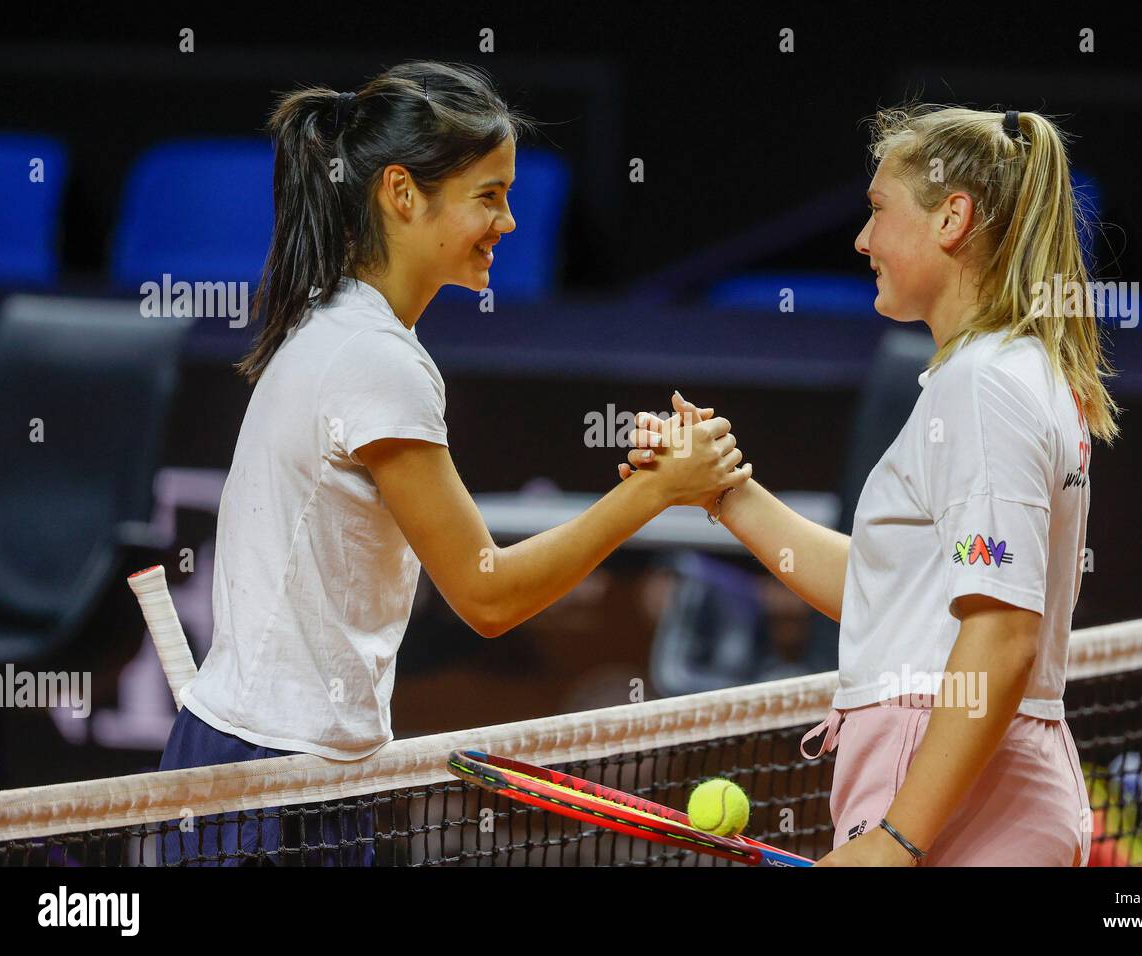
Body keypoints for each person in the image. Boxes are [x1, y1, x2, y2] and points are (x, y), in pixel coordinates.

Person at [158, 60, 749, 865]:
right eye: (489, 195)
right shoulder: (375, 358)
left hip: (279, 768)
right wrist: (658, 494)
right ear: (403, 195)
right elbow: (486, 594)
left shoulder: (340, 322)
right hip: (274, 783)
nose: (508, 221)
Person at [622, 105, 1119, 866]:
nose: (862, 240)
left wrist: (895, 839)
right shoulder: (999, 377)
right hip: (983, 786)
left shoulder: (985, 387)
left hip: (953, 793)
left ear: (953, 217)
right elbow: (892, 590)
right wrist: (723, 492)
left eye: (879, 211)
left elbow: (1003, 632)